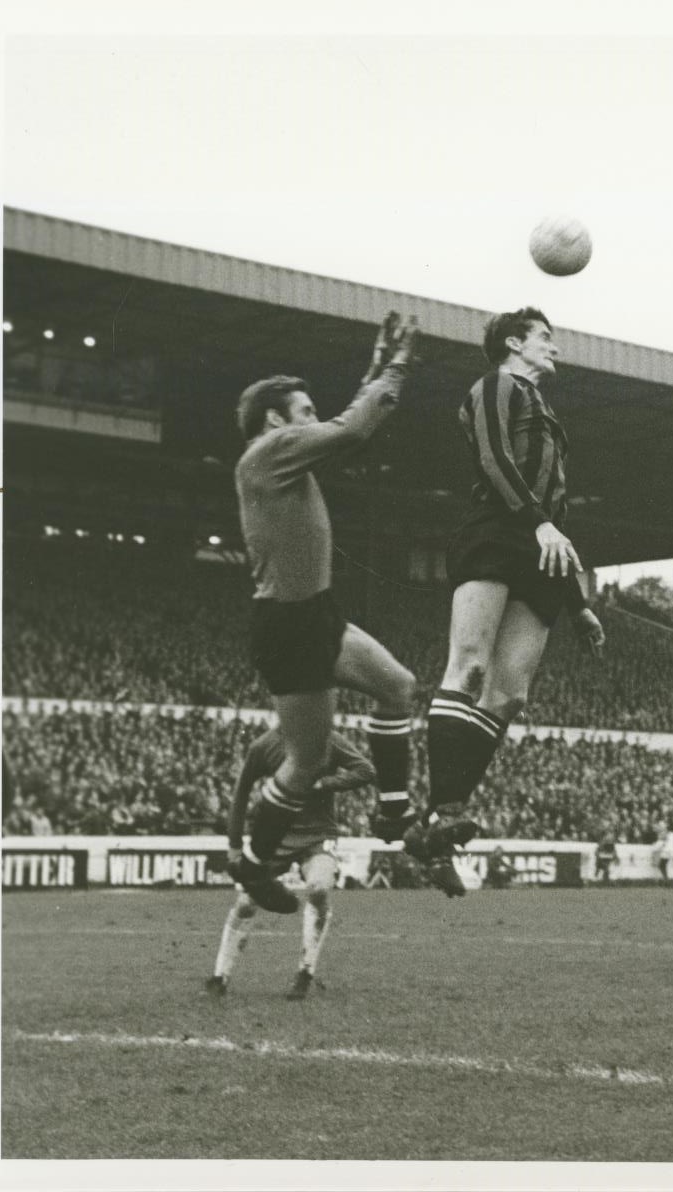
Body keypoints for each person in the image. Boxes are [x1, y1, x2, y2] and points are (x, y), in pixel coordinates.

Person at [408, 308, 606, 895]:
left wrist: (579, 604)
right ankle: (444, 814)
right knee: (468, 668)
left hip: (540, 548)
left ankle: (435, 826)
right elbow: (493, 459)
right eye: (545, 338)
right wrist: (539, 523)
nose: (555, 348)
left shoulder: (544, 408)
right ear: (514, 343)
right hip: (497, 532)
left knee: (510, 695)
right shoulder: (495, 385)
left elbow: (556, 513)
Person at [231, 314, 422, 914]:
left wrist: (375, 368)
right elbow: (351, 427)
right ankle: (256, 863)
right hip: (289, 626)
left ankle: (393, 813)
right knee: (305, 762)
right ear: (275, 420)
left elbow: (342, 426)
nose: (314, 419)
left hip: (314, 613)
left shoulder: (281, 455)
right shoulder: (267, 453)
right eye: (304, 411)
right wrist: (395, 369)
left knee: (398, 686)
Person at [206, 727, 375, 999]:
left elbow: (366, 770)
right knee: (246, 902)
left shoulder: (328, 739)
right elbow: (240, 793)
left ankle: (305, 972)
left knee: (319, 888)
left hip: (318, 834)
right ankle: (219, 977)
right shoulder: (263, 746)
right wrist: (234, 849)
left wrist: (325, 784)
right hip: (275, 836)